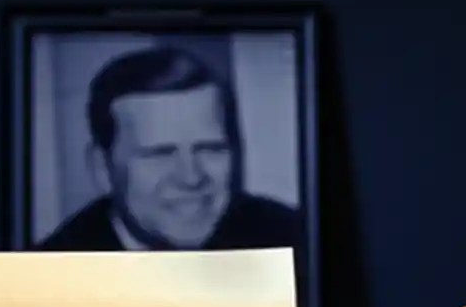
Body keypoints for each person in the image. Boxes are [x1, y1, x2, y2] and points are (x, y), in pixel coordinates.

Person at [36, 46, 303, 252]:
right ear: (102, 169)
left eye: (210, 148)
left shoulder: (295, 239)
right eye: (159, 154)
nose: (191, 177)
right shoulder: (48, 277)